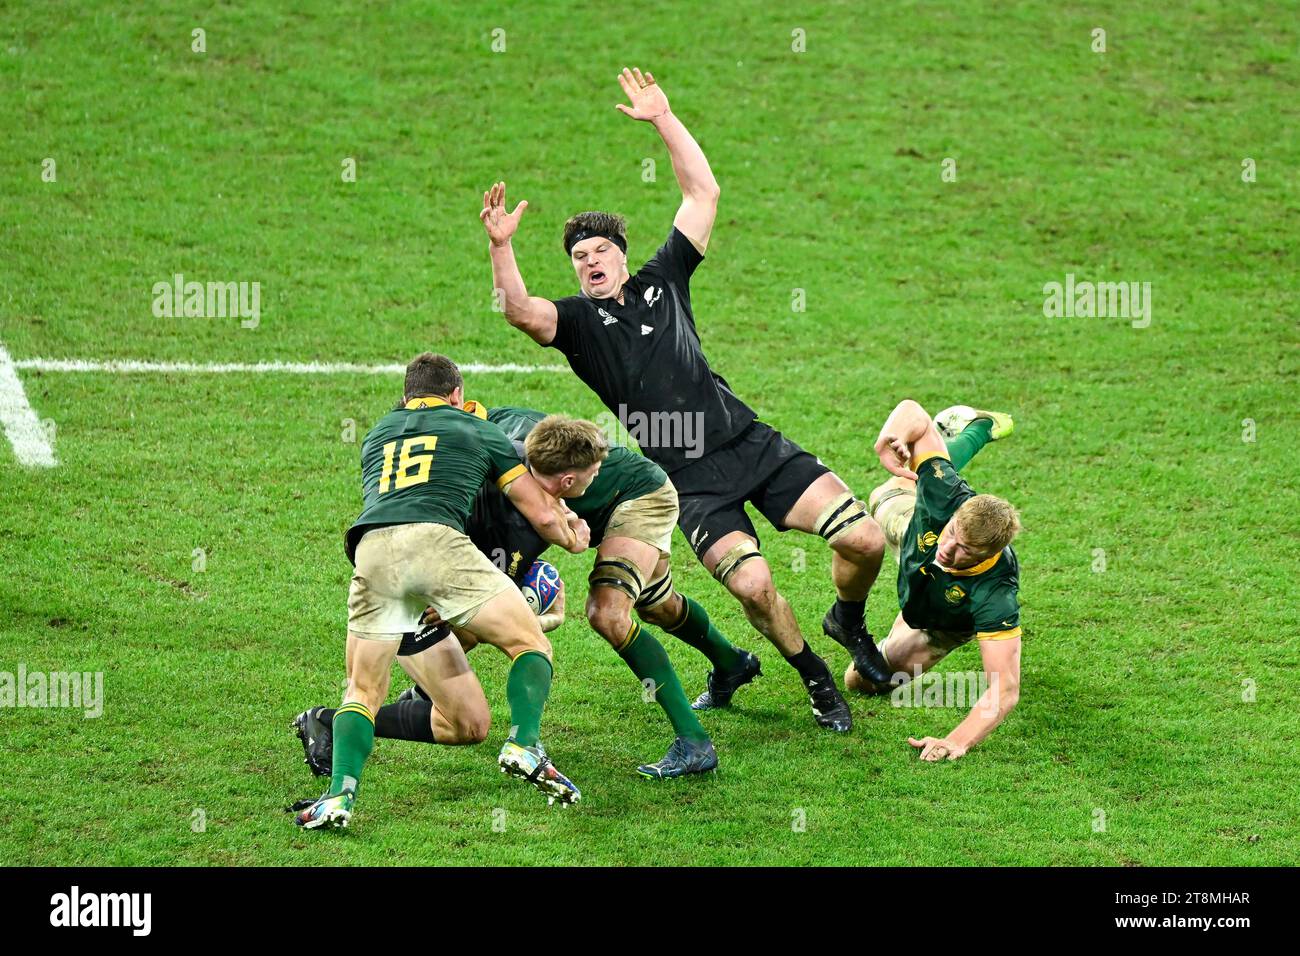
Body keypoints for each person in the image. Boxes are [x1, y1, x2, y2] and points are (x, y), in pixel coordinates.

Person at [478, 67, 889, 733]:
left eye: (601, 250)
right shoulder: (577, 324)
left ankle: (849, 619)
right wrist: (502, 247)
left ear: (622, 254)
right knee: (755, 588)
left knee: (867, 539)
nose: (592, 261)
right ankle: (815, 677)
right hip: (691, 481)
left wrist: (663, 119)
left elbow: (703, 191)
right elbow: (519, 310)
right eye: (581, 257)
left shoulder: (664, 278)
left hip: (753, 444)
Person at [291, 354, 589, 830]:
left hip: (371, 550)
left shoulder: (378, 434)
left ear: (408, 395)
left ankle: (338, 798)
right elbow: (542, 513)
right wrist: (574, 537)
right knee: (529, 642)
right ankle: (524, 744)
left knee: (363, 689)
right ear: (457, 393)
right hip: (435, 543)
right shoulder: (479, 428)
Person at [846, 402, 1023, 762]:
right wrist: (893, 436)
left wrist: (958, 740)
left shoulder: (995, 593)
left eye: (965, 550)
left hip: (940, 623)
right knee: (888, 492)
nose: (948, 550)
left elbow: (1004, 689)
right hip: (911, 533)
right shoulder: (947, 497)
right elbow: (913, 412)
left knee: (862, 680)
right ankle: (980, 427)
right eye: (953, 534)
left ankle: (906, 625)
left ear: (988, 553)